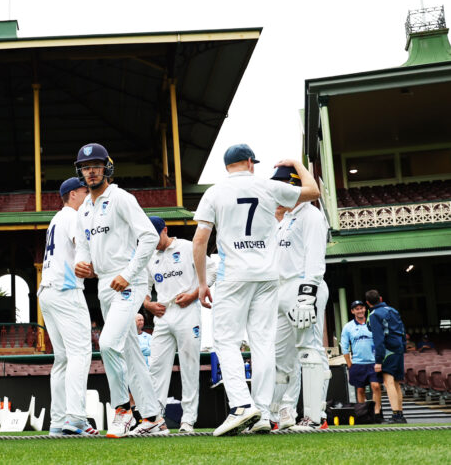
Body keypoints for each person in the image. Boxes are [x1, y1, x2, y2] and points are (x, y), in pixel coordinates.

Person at [192, 145, 319, 436]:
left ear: (227, 166)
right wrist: (297, 164)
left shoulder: (214, 192)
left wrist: (201, 283)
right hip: (267, 275)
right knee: (263, 342)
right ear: (250, 162)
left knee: (226, 340)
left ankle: (241, 405)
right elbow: (313, 192)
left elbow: (200, 241)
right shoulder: (269, 186)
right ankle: (261, 411)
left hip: (233, 275)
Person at [73, 143, 165, 437]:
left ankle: (122, 410)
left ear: (107, 168)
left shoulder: (121, 198)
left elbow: (149, 237)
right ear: (81, 172)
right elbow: (82, 249)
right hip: (103, 285)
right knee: (132, 353)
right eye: (86, 168)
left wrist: (127, 274)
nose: (91, 171)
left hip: (129, 280)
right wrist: (81, 264)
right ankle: (152, 418)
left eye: (96, 166)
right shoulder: (83, 209)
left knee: (109, 343)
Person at [267, 166, 330, 431]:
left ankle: (316, 417)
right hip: (282, 291)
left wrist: (307, 296)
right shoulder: (287, 219)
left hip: (304, 287)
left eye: (282, 186)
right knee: (280, 358)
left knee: (309, 351)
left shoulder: (311, 216)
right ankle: (272, 415)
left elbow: (315, 258)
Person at [144, 216, 217, 434]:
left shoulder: (186, 247)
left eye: (155, 236)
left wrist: (194, 294)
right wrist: (148, 305)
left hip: (187, 311)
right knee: (156, 366)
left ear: (164, 230)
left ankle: (188, 420)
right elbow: (144, 287)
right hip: (163, 314)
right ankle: (156, 418)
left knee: (189, 364)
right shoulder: (149, 255)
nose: (153, 242)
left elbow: (211, 271)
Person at [39, 177, 97, 437]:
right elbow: (82, 247)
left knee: (62, 359)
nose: (89, 193)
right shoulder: (75, 216)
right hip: (65, 290)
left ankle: (59, 420)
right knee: (80, 353)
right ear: (74, 194)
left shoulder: (56, 218)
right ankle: (75, 418)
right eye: (86, 190)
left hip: (48, 291)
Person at [365, 289, 407, 423]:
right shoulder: (393, 310)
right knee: (396, 383)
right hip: (398, 349)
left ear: (367, 303)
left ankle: (396, 415)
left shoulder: (374, 314)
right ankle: (400, 414)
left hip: (388, 351)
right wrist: (403, 347)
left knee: (389, 383)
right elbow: (402, 330)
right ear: (381, 299)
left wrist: (378, 360)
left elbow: (379, 339)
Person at [340, 300, 382, 423]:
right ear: (352, 311)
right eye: (356, 309)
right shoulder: (348, 327)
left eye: (361, 308)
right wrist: (349, 364)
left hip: (373, 361)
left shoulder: (373, 324)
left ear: (365, 309)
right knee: (360, 389)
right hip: (358, 363)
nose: (360, 310)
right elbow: (344, 346)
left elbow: (380, 341)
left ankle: (376, 412)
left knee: (376, 386)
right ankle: (362, 413)